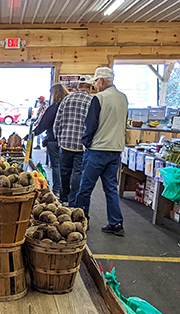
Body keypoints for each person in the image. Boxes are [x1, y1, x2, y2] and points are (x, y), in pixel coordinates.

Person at [75, 67, 129, 236]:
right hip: (115, 150)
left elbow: (91, 124)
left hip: (97, 149)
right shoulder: (123, 98)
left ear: (102, 81)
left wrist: (86, 142)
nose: (95, 86)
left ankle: (81, 221)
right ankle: (116, 223)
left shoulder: (99, 98)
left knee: (85, 187)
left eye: (96, 82)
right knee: (111, 188)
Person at [54, 75, 94, 206]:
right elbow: (94, 124)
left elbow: (57, 122)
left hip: (65, 143)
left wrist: (59, 139)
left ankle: (64, 198)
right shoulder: (92, 101)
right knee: (78, 173)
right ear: (90, 87)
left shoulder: (67, 99)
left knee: (64, 172)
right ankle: (73, 201)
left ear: (78, 87)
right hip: (82, 145)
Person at [34, 83, 67, 197]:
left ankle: (57, 190)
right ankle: (65, 191)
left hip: (53, 140)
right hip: (66, 141)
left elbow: (44, 124)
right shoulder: (67, 106)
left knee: (56, 166)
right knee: (65, 167)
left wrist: (34, 133)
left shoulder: (53, 108)